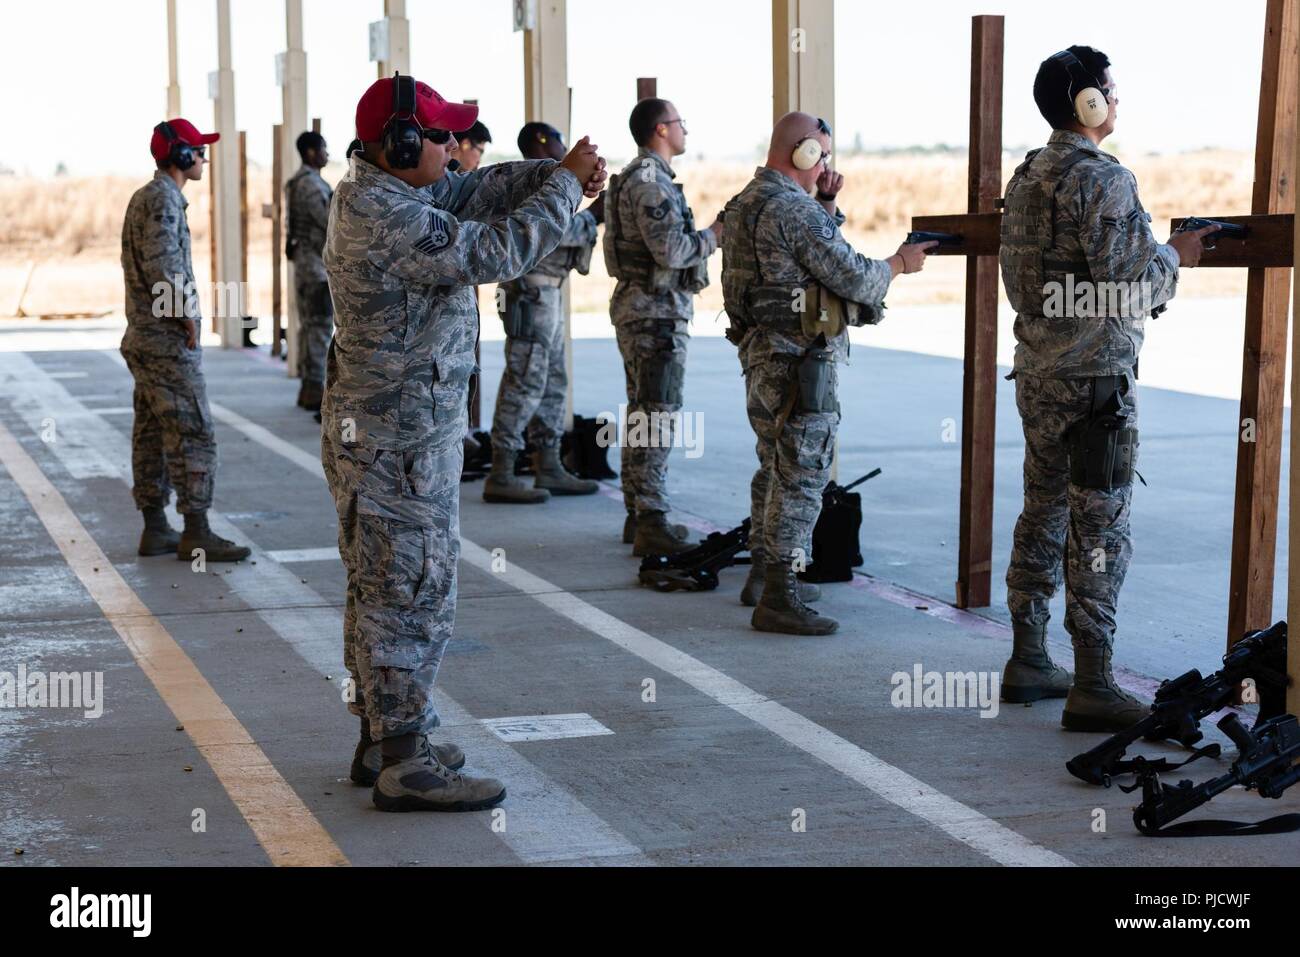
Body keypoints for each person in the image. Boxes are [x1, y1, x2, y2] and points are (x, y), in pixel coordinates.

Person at [321, 74, 606, 812]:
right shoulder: (386, 213)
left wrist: (553, 174)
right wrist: (562, 192)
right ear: (401, 144)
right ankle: (406, 761)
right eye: (441, 136)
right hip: (399, 442)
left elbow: (479, 192)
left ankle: (384, 736)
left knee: (381, 587)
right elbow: (496, 248)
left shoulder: (395, 191)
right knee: (409, 591)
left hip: (398, 434)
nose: (455, 149)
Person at [999, 46, 1214, 728]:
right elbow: (1130, 284)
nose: (1116, 101)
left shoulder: (1027, 175)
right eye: (1109, 92)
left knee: (1042, 511)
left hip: (1038, 372)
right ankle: (1093, 680)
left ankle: (1029, 656)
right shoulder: (1102, 179)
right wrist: (1178, 256)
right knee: (1099, 527)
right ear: (1086, 103)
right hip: (1093, 382)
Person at [721, 113, 933, 635]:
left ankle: (764, 577)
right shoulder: (793, 209)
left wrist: (827, 206)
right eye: (821, 155)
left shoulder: (744, 203)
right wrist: (900, 263)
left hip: (761, 355)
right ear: (804, 154)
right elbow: (857, 277)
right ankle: (781, 594)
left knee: (773, 466)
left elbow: (794, 262)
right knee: (803, 476)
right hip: (801, 364)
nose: (825, 166)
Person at [120, 118, 251, 563]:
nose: (203, 158)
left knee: (153, 431)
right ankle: (196, 529)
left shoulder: (147, 198)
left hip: (145, 338)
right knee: (194, 430)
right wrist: (185, 316)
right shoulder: (163, 201)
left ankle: (155, 527)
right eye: (197, 151)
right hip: (164, 340)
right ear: (179, 156)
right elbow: (164, 264)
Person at [603, 97, 720, 556]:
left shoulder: (643, 177)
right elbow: (671, 251)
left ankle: (639, 513)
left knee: (642, 412)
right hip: (655, 313)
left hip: (646, 309)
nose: (684, 130)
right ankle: (651, 518)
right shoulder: (650, 181)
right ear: (660, 131)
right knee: (656, 416)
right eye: (678, 123)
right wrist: (715, 235)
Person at [484, 122, 604, 503]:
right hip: (530, 297)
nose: (564, 148)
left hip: (547, 297)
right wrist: (594, 215)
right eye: (558, 142)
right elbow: (554, 229)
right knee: (524, 381)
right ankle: (502, 470)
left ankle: (548, 464)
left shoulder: (553, 184)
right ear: (541, 144)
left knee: (553, 381)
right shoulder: (530, 187)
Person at [285, 130, 333, 412]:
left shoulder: (296, 183)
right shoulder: (312, 186)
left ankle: (309, 386)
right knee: (319, 327)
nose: (327, 154)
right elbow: (329, 222)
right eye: (324, 149)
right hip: (315, 268)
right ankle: (314, 388)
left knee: (309, 327)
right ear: (312, 153)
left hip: (305, 266)